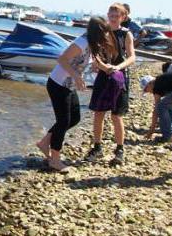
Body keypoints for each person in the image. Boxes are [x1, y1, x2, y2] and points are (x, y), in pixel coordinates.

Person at [37, 17, 117, 172]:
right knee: (63, 121)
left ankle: (44, 142)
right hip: (58, 84)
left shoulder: (93, 42)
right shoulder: (82, 42)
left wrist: (105, 68)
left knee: (74, 118)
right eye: (105, 32)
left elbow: (95, 58)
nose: (107, 36)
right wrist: (77, 76)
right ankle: (55, 160)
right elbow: (62, 59)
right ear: (97, 32)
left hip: (68, 86)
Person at [85, 3, 136, 166]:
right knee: (98, 112)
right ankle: (97, 147)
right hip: (103, 75)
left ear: (123, 17)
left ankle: (120, 149)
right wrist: (103, 66)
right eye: (111, 16)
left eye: (116, 16)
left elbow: (131, 57)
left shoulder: (126, 34)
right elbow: (95, 55)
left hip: (120, 77)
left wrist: (117, 67)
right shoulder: (102, 32)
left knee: (116, 115)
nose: (113, 19)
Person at [140, 72, 172, 143]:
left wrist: (151, 130)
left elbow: (156, 110)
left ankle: (169, 136)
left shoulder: (156, 86)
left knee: (161, 107)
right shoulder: (160, 82)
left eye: (146, 90)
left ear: (149, 84)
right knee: (170, 109)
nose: (148, 92)